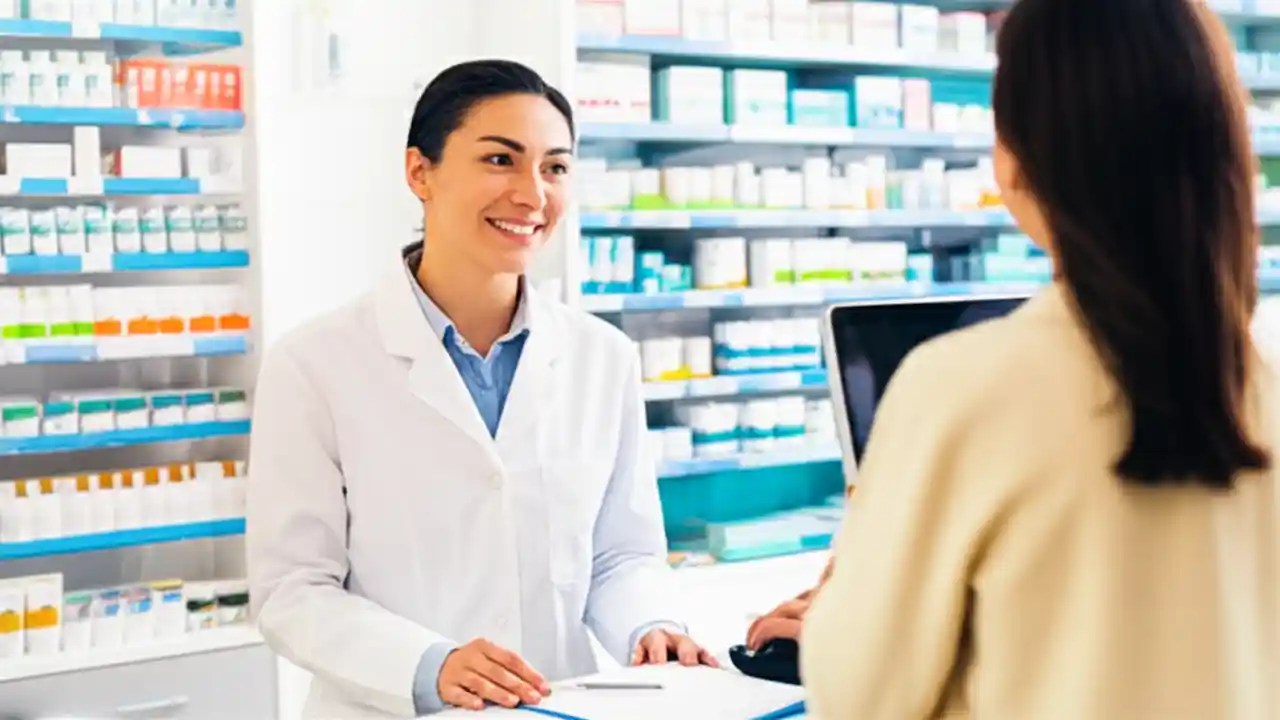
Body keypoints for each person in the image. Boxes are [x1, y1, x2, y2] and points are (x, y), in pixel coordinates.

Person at [802, 1, 1279, 718]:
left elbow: (858, 698)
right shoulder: (1263, 380)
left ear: (1017, 158)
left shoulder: (960, 388)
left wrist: (850, 585)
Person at [247, 60, 714, 719]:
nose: (533, 195)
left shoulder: (601, 357)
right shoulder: (315, 363)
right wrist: (431, 664)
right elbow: (292, 591)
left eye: (555, 168)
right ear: (420, 173)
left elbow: (621, 555)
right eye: (500, 159)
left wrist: (651, 629)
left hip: (560, 705)